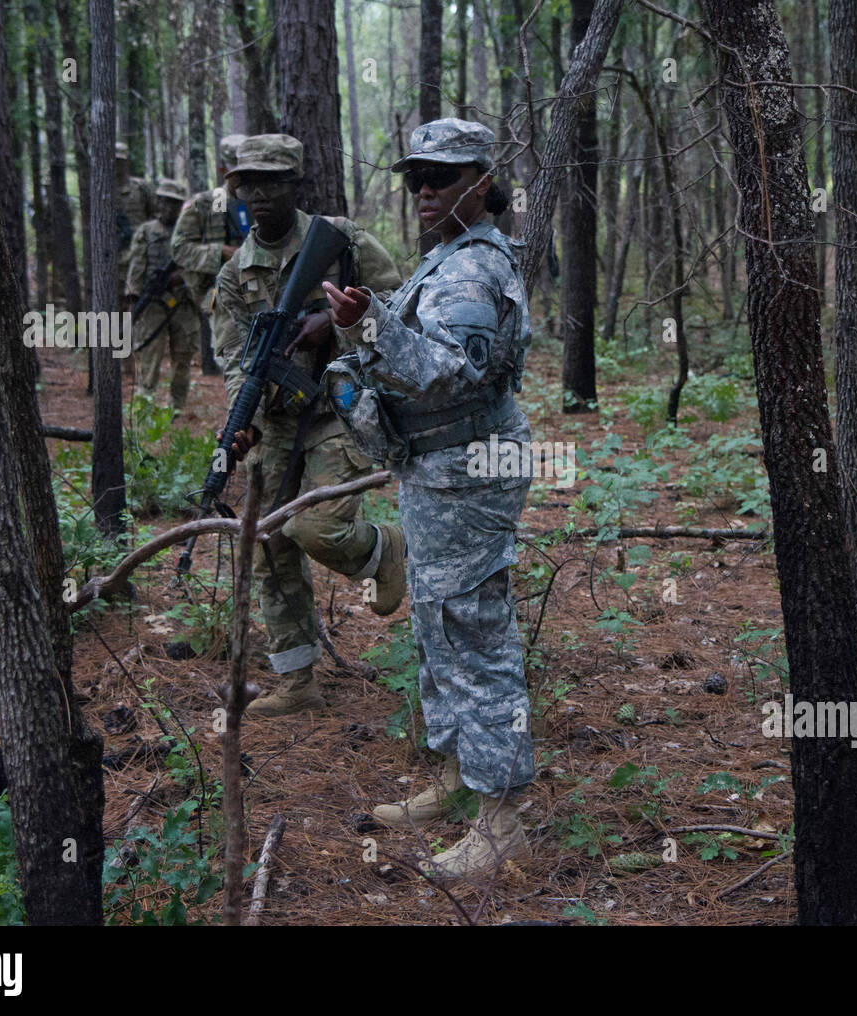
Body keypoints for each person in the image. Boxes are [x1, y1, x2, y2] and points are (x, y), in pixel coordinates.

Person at [322, 117, 533, 880]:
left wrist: (368, 323)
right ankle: (453, 777)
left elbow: (450, 373)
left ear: (481, 183)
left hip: (466, 469)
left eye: (440, 177)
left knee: (472, 631)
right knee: (439, 626)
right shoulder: (446, 258)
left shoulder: (475, 269)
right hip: (437, 467)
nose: (423, 190)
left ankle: (501, 816)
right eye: (415, 177)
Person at [213, 133, 406, 718]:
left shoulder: (340, 241)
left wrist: (336, 321)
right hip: (274, 424)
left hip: (339, 411)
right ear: (237, 191)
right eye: (250, 184)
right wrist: (238, 420)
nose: (262, 195)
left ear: (296, 186)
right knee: (269, 545)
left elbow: (398, 305)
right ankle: (297, 680)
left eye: (275, 183)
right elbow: (231, 359)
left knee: (314, 529)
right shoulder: (233, 275)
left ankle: (383, 549)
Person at [171, 133, 250, 367]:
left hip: (266, 293)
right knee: (237, 365)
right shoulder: (206, 204)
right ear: (222, 169)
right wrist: (221, 252)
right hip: (221, 295)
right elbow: (180, 249)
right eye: (238, 174)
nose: (245, 179)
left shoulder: (264, 200)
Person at [126, 178, 201, 409]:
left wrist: (182, 278)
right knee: (149, 356)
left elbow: (201, 266)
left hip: (184, 303)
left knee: (182, 357)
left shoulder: (192, 233)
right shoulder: (146, 231)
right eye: (163, 201)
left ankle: (176, 407)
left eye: (173, 202)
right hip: (154, 305)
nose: (166, 207)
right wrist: (133, 299)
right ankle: (144, 405)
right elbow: (137, 267)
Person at [115, 141, 155, 306]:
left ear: (127, 162)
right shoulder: (101, 189)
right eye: (115, 160)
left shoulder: (141, 188)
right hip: (113, 256)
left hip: (138, 255)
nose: (117, 164)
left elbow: (154, 218)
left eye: (121, 161)